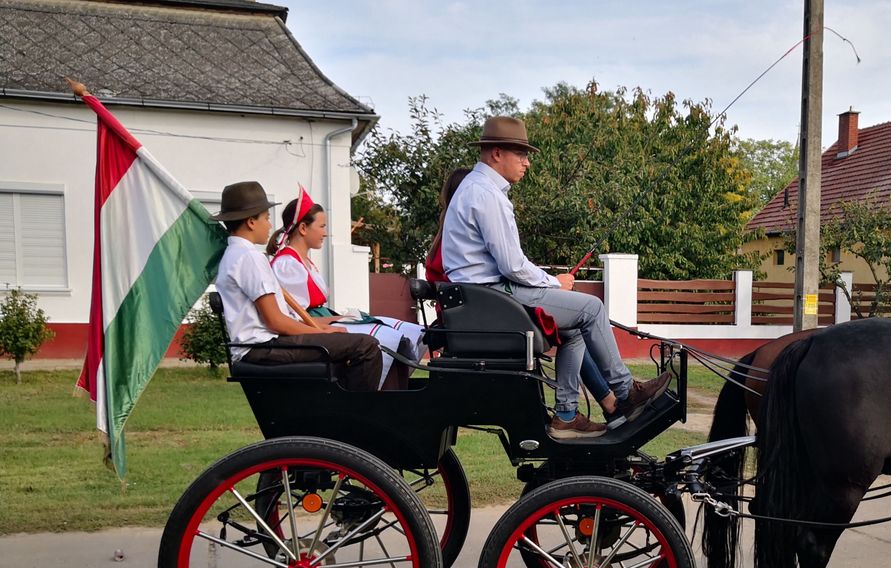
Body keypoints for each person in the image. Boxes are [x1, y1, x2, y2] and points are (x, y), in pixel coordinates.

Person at [441, 116, 671, 438]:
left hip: (483, 297)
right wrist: (554, 282)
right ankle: (626, 393)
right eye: (520, 154)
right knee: (591, 309)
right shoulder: (486, 194)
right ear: (496, 153)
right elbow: (511, 265)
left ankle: (565, 414)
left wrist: (549, 281)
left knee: (574, 328)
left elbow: (509, 262)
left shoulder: (474, 189)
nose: (527, 163)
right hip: (492, 297)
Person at [428, 168, 620, 420]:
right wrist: (552, 284)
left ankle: (582, 409)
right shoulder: (455, 243)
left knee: (573, 330)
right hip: (480, 318)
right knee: (584, 315)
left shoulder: (445, 243)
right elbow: (505, 271)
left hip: (476, 315)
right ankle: (611, 399)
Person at [211, 181, 381, 391]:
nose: (270, 225)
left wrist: (320, 327)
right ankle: (355, 417)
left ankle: (339, 411)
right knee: (366, 347)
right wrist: (322, 334)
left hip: (260, 345)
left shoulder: (234, 255)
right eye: (266, 218)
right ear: (251, 222)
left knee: (349, 340)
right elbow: (275, 321)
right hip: (264, 347)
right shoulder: (249, 257)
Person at [269, 187, 425, 389]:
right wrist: (335, 320)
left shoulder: (303, 261)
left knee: (407, 330)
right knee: (390, 339)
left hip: (322, 319)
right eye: (322, 226)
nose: (325, 233)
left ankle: (394, 395)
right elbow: (296, 318)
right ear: (303, 228)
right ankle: (381, 398)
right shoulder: (287, 265)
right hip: (311, 327)